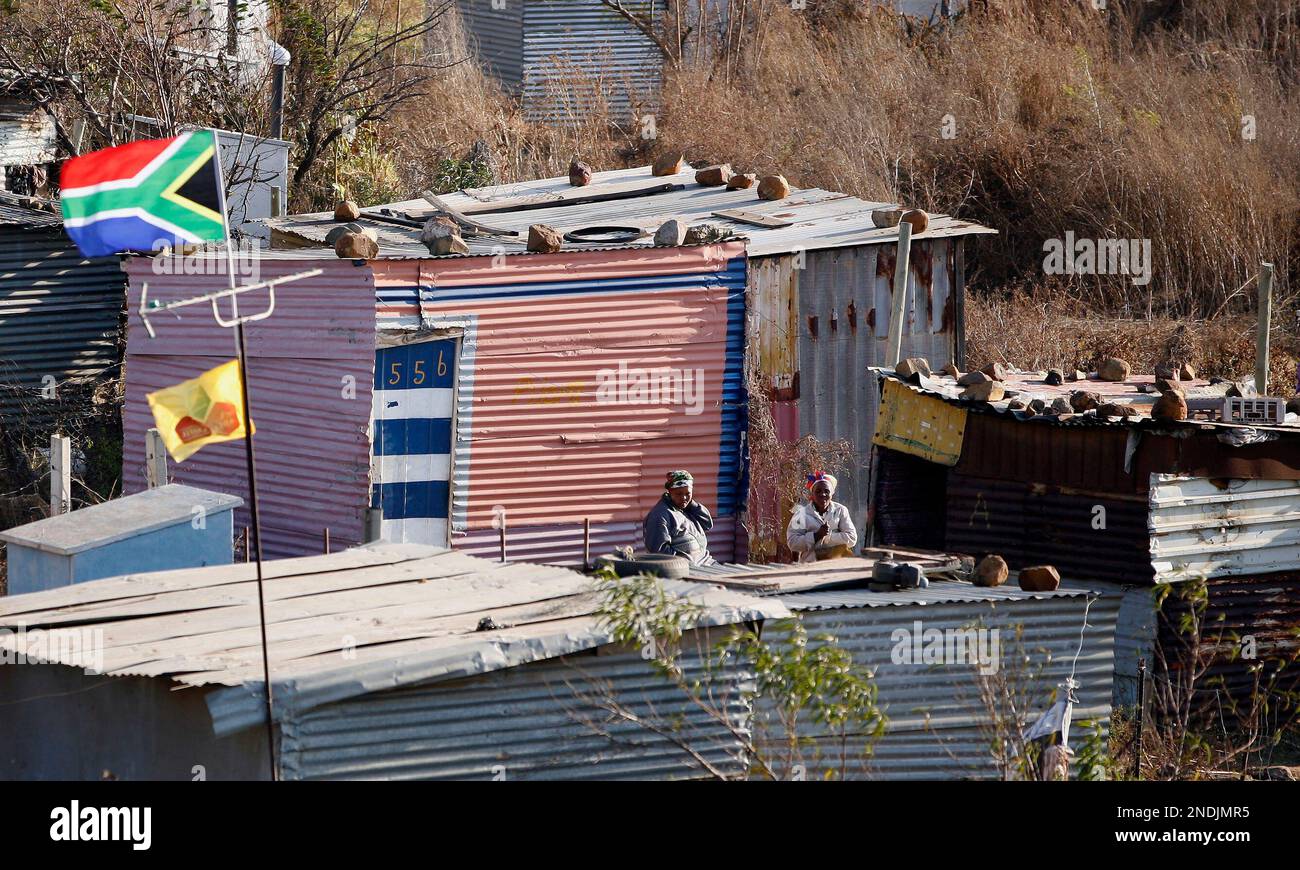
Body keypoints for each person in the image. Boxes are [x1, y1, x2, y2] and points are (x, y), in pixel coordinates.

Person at [643, 470, 716, 566]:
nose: (684, 498)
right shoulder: (660, 515)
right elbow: (659, 552)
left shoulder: (686, 508)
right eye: (679, 494)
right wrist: (684, 564)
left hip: (707, 563)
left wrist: (692, 504)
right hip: (689, 571)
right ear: (669, 492)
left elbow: (707, 524)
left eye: (688, 493)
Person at [786, 471, 858, 563]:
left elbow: (852, 538)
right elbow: (793, 542)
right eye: (818, 491)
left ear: (832, 494)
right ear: (812, 494)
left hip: (838, 564)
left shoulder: (840, 510)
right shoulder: (801, 514)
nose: (823, 494)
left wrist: (826, 537)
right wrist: (816, 535)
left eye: (826, 491)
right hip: (811, 565)